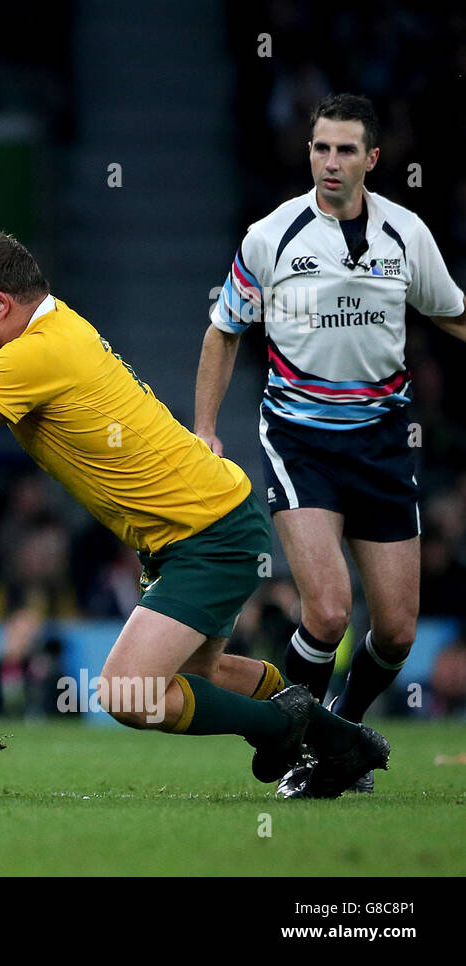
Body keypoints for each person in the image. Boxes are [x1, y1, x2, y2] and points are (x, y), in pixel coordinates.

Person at [0, 230, 388, 798]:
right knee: (200, 676)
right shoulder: (29, 338)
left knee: (129, 691)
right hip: (192, 529)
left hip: (209, 532)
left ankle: (281, 727)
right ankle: (340, 744)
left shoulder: (38, 353)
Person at [195, 93, 466, 796]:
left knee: (399, 630)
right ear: (308, 152)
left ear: (373, 160)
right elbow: (225, 329)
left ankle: (339, 731)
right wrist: (204, 428)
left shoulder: (406, 235)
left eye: (346, 150)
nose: (331, 162)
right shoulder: (272, 235)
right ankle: (307, 742)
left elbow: (453, 315)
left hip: (382, 445)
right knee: (329, 611)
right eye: (321, 148)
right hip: (298, 442)